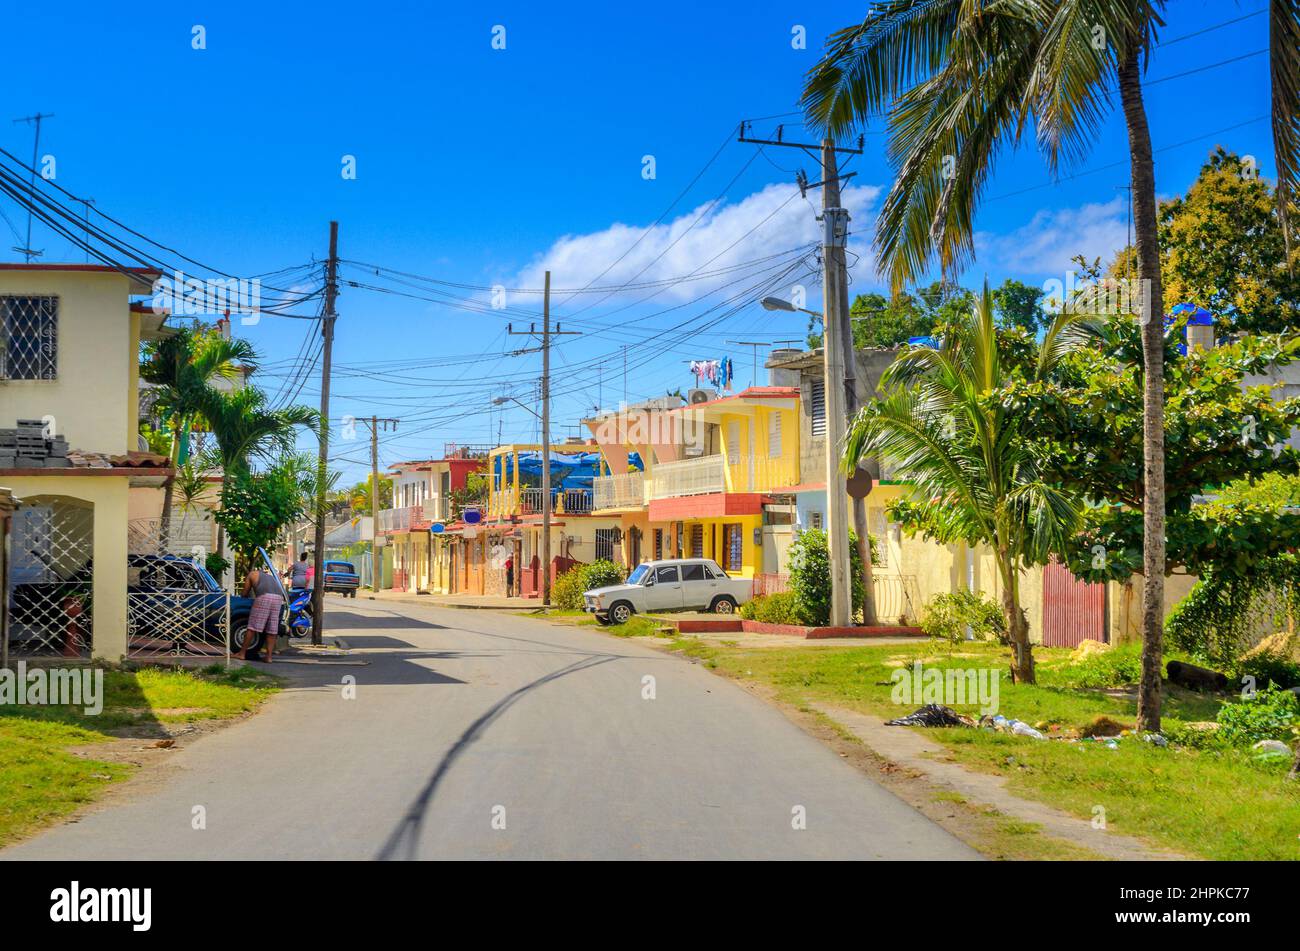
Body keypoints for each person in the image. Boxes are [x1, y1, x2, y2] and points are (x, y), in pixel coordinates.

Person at [238, 563, 284, 663]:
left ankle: (242, 653)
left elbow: (245, 593)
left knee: (252, 627)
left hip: (265, 597)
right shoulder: (270, 577)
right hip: (279, 599)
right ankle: (269, 657)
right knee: (272, 629)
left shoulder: (251, 574)